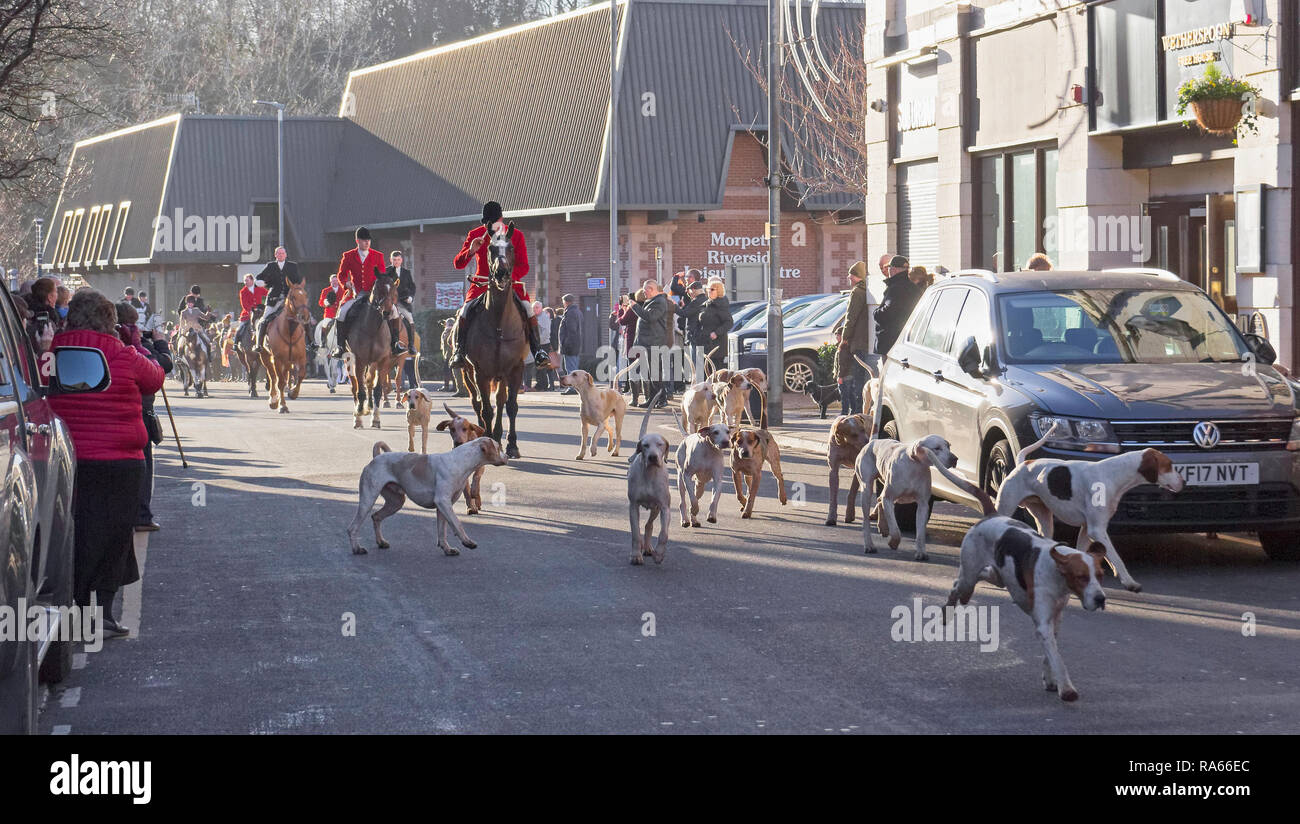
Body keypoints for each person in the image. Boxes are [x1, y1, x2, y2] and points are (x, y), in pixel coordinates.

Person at [49, 290, 165, 637]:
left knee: (78, 531)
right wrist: (145, 345)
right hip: (119, 462)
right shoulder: (122, 353)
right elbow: (155, 378)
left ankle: (77, 606)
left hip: (69, 459)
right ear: (109, 320)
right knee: (115, 535)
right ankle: (103, 614)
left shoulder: (53, 350)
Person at [446, 201, 547, 368]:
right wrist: (470, 250)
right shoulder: (475, 235)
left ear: (502, 218)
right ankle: (459, 351)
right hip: (481, 286)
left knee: (528, 309)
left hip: (510, 285)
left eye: (495, 222)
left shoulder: (516, 235)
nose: (492, 226)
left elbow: (524, 266)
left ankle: (538, 351)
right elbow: (458, 264)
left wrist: (505, 276)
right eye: (488, 223)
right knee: (464, 311)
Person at [116, 302, 172, 533]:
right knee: (144, 464)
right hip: (139, 411)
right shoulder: (137, 346)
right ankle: (141, 514)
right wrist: (160, 341)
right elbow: (163, 365)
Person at [330, 227, 399, 357]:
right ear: (357, 241)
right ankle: (340, 346)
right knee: (341, 313)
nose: (367, 243)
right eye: (364, 240)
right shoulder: (348, 255)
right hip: (356, 294)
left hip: (377, 294)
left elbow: (383, 275)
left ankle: (395, 343)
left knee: (394, 311)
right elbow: (341, 274)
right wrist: (345, 283)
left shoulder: (378, 255)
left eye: (368, 240)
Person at [254, 246, 306, 351]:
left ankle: (310, 343)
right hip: (274, 299)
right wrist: (261, 282)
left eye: (282, 253)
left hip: (290, 299)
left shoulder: (293, 266)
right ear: (275, 255)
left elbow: (298, 280)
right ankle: (258, 345)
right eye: (279, 253)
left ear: (286, 255)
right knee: (264, 320)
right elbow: (258, 277)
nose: (281, 255)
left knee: (304, 317)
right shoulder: (270, 266)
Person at [839, 260, 874, 414]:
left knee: (858, 380)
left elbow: (850, 317)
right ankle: (866, 409)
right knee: (867, 378)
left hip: (858, 343)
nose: (849, 278)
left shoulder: (856, 293)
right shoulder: (868, 290)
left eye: (851, 275)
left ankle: (858, 412)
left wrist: (845, 338)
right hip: (869, 341)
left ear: (857, 276)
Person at [629, 280, 670, 407]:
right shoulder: (653, 301)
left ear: (652, 289)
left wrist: (635, 306)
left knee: (655, 373)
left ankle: (662, 399)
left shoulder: (659, 302)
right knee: (652, 373)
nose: (644, 293)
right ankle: (652, 400)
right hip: (649, 341)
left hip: (654, 342)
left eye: (645, 291)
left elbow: (650, 317)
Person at [874, 253, 922, 357]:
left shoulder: (895, 288)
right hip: (908, 340)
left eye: (889, 267)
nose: (888, 270)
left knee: (886, 373)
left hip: (890, 343)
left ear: (894, 269)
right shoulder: (914, 289)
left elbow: (887, 313)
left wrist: (876, 313)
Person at [386, 250, 418, 378]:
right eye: (394, 260)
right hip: (389, 302)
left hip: (403, 302)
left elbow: (412, 287)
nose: (396, 262)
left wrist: (411, 297)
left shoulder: (406, 273)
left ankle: (410, 345)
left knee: (410, 319)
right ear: (391, 260)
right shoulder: (387, 271)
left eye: (398, 260)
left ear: (401, 260)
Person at [697, 278, 732, 379]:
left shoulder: (721, 305)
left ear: (719, 290)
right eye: (708, 289)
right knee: (705, 373)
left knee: (716, 374)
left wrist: (716, 333)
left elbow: (729, 322)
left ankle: (717, 393)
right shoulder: (707, 303)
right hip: (705, 343)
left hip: (717, 345)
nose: (709, 291)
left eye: (712, 289)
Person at [675, 280, 708, 379]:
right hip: (702, 336)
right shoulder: (705, 299)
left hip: (694, 336)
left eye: (689, 291)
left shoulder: (696, 302)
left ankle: (698, 387)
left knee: (695, 364)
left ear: (693, 290)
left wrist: (674, 306)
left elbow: (684, 314)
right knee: (700, 363)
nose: (689, 294)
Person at [558, 293, 582, 392]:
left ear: (566, 302)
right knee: (574, 366)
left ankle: (572, 388)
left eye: (563, 302)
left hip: (570, 345)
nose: (563, 304)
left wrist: (565, 343)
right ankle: (575, 387)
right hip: (575, 344)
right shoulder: (577, 311)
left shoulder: (570, 312)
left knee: (570, 368)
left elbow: (571, 330)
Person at [236, 273, 268, 346]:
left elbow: (268, 294)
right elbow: (244, 304)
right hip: (247, 313)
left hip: (260, 312)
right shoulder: (242, 291)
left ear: (252, 280)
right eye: (244, 281)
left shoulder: (259, 288)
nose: (245, 282)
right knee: (240, 328)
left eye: (247, 280)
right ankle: (236, 343)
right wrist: (250, 311)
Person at [534, 301, 553, 390]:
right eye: (534, 307)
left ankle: (543, 385)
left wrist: (538, 342)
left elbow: (546, 332)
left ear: (541, 308)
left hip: (543, 343)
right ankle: (539, 383)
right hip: (537, 343)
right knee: (538, 365)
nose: (535, 309)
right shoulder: (536, 317)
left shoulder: (544, 317)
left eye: (537, 307)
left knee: (542, 365)